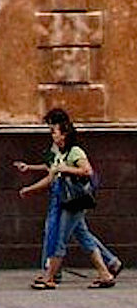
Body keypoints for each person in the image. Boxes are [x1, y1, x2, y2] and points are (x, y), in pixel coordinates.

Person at [17, 107, 122, 289]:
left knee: (58, 236)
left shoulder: (75, 151)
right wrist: (30, 182)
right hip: (61, 197)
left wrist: (64, 169)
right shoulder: (57, 151)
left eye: (53, 131)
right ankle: (106, 271)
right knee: (82, 236)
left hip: (72, 199)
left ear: (63, 133)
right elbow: (50, 171)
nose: (52, 135)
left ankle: (50, 276)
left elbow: (87, 171)